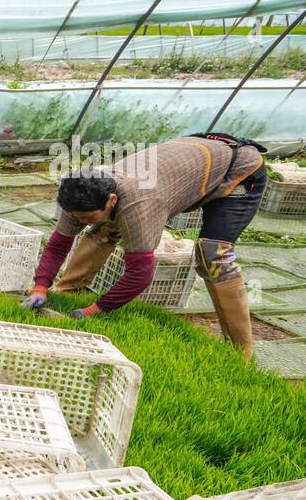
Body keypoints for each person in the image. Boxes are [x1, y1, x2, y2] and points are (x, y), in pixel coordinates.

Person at [21, 133, 267, 361]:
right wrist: (40, 287)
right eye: (77, 217)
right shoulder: (79, 195)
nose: (80, 222)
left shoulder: (140, 204)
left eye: (86, 217)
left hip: (237, 171)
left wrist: (97, 309)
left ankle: (239, 355)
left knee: (214, 256)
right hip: (194, 157)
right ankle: (68, 294)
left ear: (111, 199)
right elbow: (57, 245)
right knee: (104, 225)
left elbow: (140, 274)